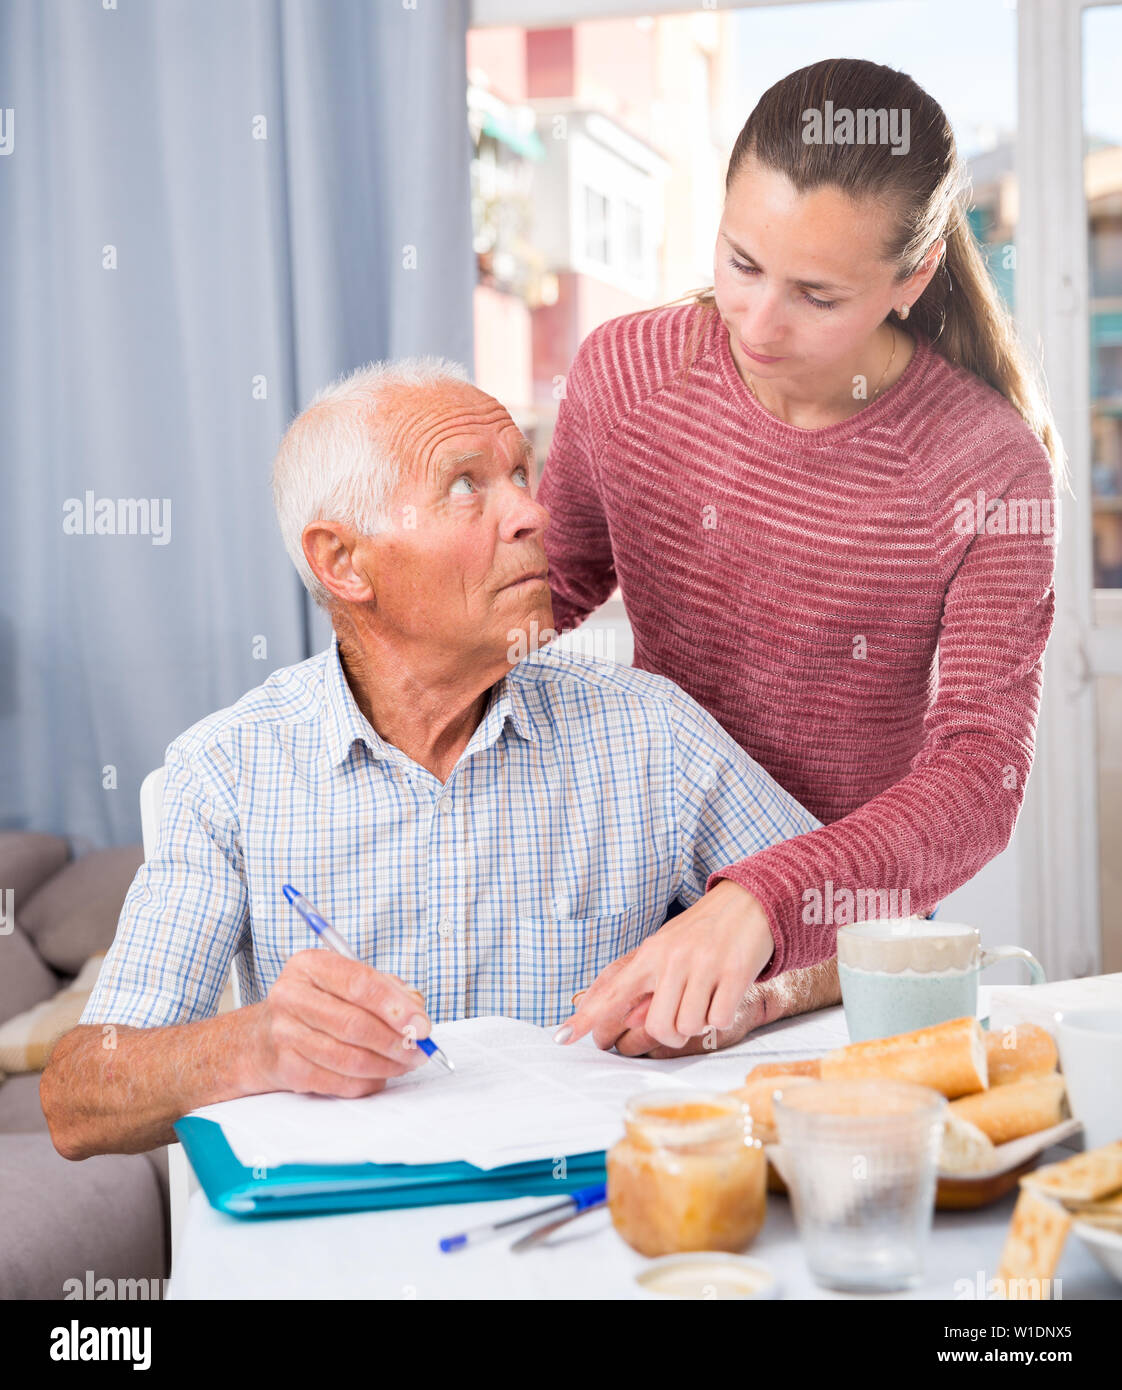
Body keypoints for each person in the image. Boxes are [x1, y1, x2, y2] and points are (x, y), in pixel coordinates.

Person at [41, 359, 820, 1160]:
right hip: (352, 1239)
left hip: (591, 1207)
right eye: (464, 486)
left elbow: (871, 935)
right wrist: (256, 1044)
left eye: (522, 473)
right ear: (343, 562)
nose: (532, 513)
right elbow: (79, 1099)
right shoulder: (227, 771)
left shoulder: (649, 730)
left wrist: (753, 993)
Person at [545, 58, 1065, 1060]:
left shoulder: (988, 466)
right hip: (632, 908)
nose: (757, 323)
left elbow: (979, 773)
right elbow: (547, 599)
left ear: (910, 282)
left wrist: (767, 907)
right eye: (741, 263)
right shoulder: (624, 373)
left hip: (838, 950)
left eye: (817, 295)